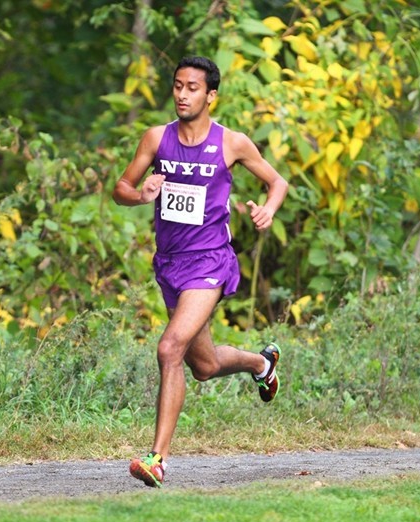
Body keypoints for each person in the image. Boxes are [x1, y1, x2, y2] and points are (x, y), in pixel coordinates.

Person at [111, 55, 289, 488]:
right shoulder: (156, 138)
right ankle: (261, 363)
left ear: (211, 95)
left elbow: (277, 181)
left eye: (192, 88)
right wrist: (141, 195)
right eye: (177, 86)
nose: (182, 94)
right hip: (170, 263)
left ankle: (157, 459)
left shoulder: (232, 142)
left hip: (210, 261)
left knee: (170, 348)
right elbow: (120, 188)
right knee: (204, 365)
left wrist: (267, 210)